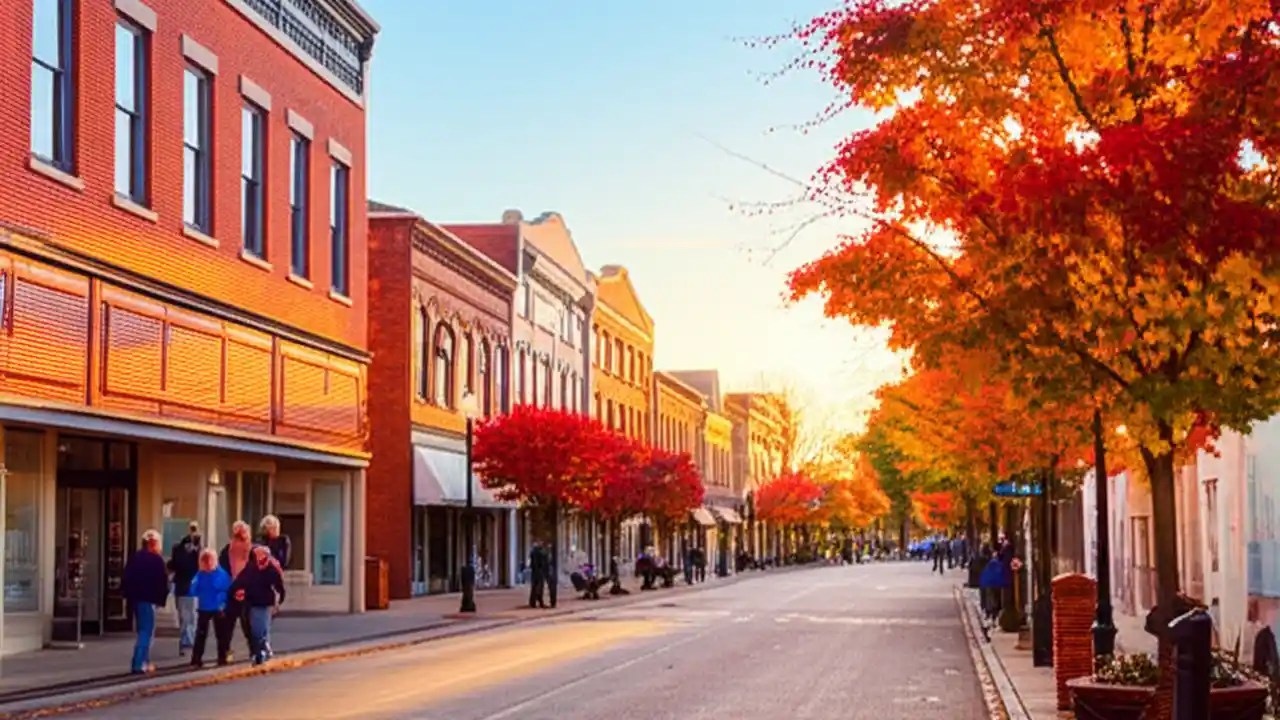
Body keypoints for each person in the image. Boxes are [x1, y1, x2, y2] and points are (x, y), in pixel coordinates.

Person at [122, 529, 169, 674]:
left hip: (136, 599)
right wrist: (162, 599)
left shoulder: (135, 558)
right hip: (149, 600)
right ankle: (139, 663)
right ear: (154, 544)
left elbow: (126, 578)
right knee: (146, 632)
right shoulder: (156, 560)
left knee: (143, 629)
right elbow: (162, 582)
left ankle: (145, 661)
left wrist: (127, 595)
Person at [230, 546, 286, 666]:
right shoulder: (251, 568)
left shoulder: (271, 569)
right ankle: (264, 651)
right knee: (259, 629)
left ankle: (261, 652)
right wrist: (235, 591)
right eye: (257, 554)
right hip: (252, 603)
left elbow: (279, 586)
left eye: (261, 554)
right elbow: (239, 582)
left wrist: (280, 600)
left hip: (265, 603)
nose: (259, 557)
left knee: (260, 629)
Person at [218, 521, 256, 662]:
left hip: (231, 590)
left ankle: (224, 654)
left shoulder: (227, 550)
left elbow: (221, 571)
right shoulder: (252, 550)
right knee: (249, 626)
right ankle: (254, 652)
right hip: (247, 592)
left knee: (227, 626)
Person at [190, 548, 232, 668]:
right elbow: (193, 589)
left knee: (222, 635)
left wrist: (224, 604)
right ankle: (196, 659)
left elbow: (226, 590)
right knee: (201, 635)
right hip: (204, 607)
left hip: (218, 608)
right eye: (205, 562)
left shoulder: (221, 574)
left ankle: (223, 657)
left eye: (209, 561)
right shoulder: (199, 575)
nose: (208, 565)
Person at [168, 521, 202, 656]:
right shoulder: (181, 551)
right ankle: (187, 641)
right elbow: (180, 565)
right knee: (187, 617)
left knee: (188, 617)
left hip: (186, 587)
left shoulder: (194, 551)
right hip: (185, 587)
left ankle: (187, 641)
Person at [528, 542, 548, 609]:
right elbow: (542, 562)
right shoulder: (540, 552)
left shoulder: (534, 551)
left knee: (535, 587)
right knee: (539, 587)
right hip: (539, 571)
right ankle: (537, 602)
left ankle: (534, 602)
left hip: (535, 571)